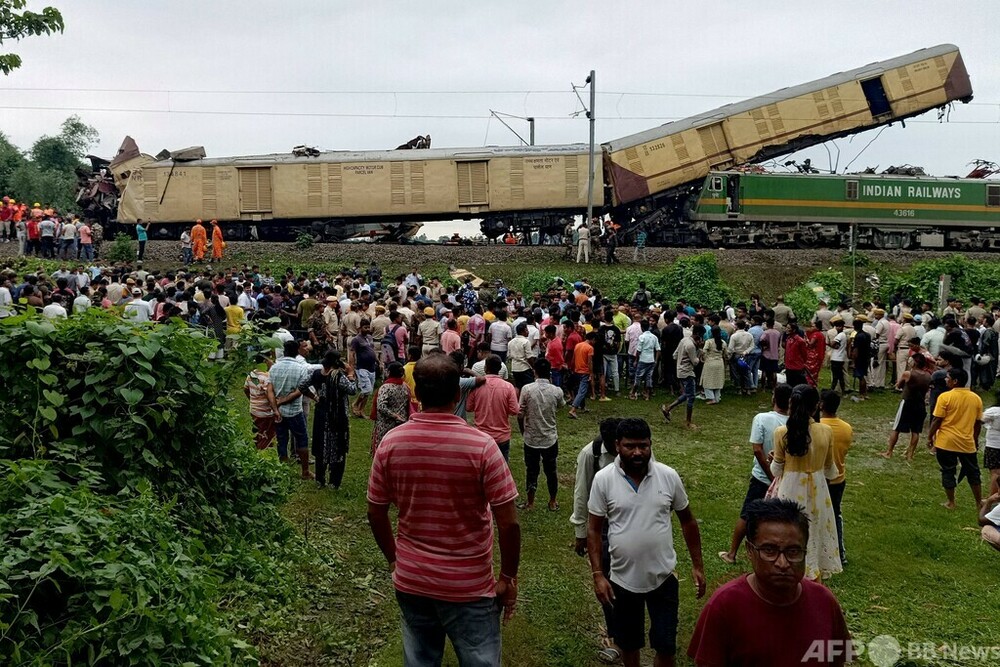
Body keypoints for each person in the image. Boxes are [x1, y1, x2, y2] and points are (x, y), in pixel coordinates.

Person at [367, 355, 521, 666]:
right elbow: (508, 524)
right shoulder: (482, 447)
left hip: (412, 580)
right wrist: (508, 577)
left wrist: (395, 559)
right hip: (470, 585)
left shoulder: (391, 443)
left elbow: (375, 511)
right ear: (458, 394)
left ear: (417, 395)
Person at [587, 417, 706, 667]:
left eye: (644, 445)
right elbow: (594, 529)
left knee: (666, 648)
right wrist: (598, 574)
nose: (638, 452)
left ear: (651, 444)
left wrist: (697, 565)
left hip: (663, 579)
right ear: (618, 445)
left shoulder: (668, 476)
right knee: (629, 647)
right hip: (622, 580)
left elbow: (688, 521)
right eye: (630, 446)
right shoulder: (604, 479)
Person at [688, 499, 853, 667]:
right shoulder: (723, 607)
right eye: (769, 550)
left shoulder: (824, 602)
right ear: (750, 551)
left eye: (793, 551)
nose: (782, 563)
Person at [770, 384, 841, 581]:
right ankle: (813, 575)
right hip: (817, 487)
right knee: (815, 529)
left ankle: (788, 572)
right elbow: (830, 470)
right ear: (816, 406)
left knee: (789, 529)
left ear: (791, 404)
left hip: (790, 487)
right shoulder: (826, 431)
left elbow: (776, 470)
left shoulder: (782, 432)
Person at [719, 384, 792, 565]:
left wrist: (769, 474)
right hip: (785, 478)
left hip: (762, 476)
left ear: (773, 398)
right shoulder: (793, 423)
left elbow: (757, 450)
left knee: (748, 513)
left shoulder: (762, 418)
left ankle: (732, 553)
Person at [299, 350, 358, 489]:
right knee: (338, 446)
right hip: (337, 416)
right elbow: (352, 390)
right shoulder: (338, 376)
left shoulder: (316, 374)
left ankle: (320, 479)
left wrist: (315, 397)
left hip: (321, 413)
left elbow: (302, 386)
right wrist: (350, 374)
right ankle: (334, 481)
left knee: (320, 445)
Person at [928, 367, 983, 512]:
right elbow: (978, 423)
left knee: (947, 471)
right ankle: (979, 502)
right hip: (967, 442)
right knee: (973, 472)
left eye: (948, 377)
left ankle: (951, 502)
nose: (946, 380)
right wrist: (975, 439)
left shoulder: (945, 397)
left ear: (955, 381)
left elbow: (937, 420)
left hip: (946, 441)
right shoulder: (976, 398)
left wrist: (930, 437)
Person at [517, 359, 565, 511]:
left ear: (534, 372)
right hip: (550, 437)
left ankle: (530, 503)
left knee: (531, 470)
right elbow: (561, 405)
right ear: (549, 372)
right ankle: (552, 501)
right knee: (551, 470)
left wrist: (523, 431)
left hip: (531, 437)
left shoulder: (527, 389)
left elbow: (520, 414)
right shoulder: (556, 391)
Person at [270, 339, 314, 479]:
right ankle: (305, 471)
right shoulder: (300, 369)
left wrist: (276, 407)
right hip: (294, 411)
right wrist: (315, 397)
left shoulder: (274, 367)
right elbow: (300, 390)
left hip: (279, 412)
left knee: (282, 440)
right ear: (297, 352)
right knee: (302, 439)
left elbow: (269, 389)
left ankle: (283, 471)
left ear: (284, 351)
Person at [819, 390, 853, 566]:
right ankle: (840, 552)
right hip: (839, 478)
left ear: (821, 405)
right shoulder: (846, 428)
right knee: (835, 514)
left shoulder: (818, 427)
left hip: (820, 479)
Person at [466, 354, 520, 461]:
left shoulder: (477, 386)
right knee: (501, 470)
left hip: (481, 435)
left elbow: (468, 407)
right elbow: (514, 410)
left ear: (485, 368)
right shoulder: (508, 387)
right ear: (500, 369)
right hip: (501, 437)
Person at [880, 352, 932, 460]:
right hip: (920, 404)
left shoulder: (908, 374)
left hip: (907, 402)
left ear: (914, 362)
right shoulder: (928, 376)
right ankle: (910, 455)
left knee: (896, 428)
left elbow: (899, 385)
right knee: (916, 431)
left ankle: (889, 452)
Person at [661, 324, 705, 430]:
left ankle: (668, 408)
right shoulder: (691, 345)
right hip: (687, 372)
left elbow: (675, 355)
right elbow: (695, 362)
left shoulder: (684, 340)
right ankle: (688, 421)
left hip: (680, 370)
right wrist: (699, 351)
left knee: (687, 393)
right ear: (698, 335)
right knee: (691, 397)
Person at [369, 361, 411, 454]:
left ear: (389, 372)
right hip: (402, 423)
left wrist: (394, 416)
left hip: (385, 424)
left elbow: (381, 406)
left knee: (383, 449)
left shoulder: (386, 387)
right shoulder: (405, 386)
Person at [244, 354, 282, 450]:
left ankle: (257, 448)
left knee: (257, 431)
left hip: (254, 409)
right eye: (270, 360)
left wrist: (252, 399)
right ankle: (261, 453)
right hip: (265, 412)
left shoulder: (251, 375)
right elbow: (268, 393)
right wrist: (275, 408)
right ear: (265, 362)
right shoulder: (267, 376)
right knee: (266, 434)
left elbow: (246, 389)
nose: (272, 362)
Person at [567, 330, 596, 419]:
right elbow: (590, 362)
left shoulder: (578, 345)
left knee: (579, 389)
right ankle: (573, 409)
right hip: (585, 372)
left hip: (576, 370)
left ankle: (582, 407)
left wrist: (572, 368)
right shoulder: (590, 348)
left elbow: (573, 358)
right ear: (592, 339)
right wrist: (591, 374)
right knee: (582, 391)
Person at [631, 319, 660, 400]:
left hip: (643, 359)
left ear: (641, 328)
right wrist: (656, 360)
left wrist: (636, 360)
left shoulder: (642, 337)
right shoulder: (654, 337)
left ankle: (633, 393)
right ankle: (647, 394)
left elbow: (638, 350)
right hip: (651, 359)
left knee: (638, 377)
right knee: (648, 377)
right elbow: (658, 349)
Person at [701, 325, 727, 405]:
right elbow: (725, 354)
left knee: (707, 381)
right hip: (719, 362)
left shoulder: (709, 341)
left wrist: (703, 358)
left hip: (710, 362)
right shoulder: (723, 342)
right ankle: (717, 397)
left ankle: (711, 398)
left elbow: (704, 351)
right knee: (718, 380)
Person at [849, 317, 871, 400]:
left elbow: (856, 349)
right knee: (863, 375)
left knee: (860, 376)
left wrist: (853, 361)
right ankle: (864, 393)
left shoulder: (858, 336)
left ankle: (862, 394)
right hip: (866, 357)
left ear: (854, 327)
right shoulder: (867, 335)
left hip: (859, 358)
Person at [982, 404, 1000, 497]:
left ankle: (993, 497)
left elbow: (980, 419)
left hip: (994, 445)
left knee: (995, 473)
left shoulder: (995, 411)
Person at [782, 321, 807, 387]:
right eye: (786, 328)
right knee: (789, 383)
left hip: (797, 366)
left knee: (797, 384)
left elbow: (804, 354)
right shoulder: (788, 339)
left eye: (788, 328)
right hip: (788, 365)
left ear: (794, 330)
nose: (786, 329)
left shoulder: (800, 341)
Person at [828, 317, 848, 393]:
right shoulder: (843, 335)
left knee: (837, 376)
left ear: (842, 327)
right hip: (840, 357)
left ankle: (833, 390)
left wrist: (832, 345)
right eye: (836, 326)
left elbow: (832, 343)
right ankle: (838, 390)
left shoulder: (840, 335)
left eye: (839, 326)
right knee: (839, 376)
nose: (837, 328)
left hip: (836, 358)